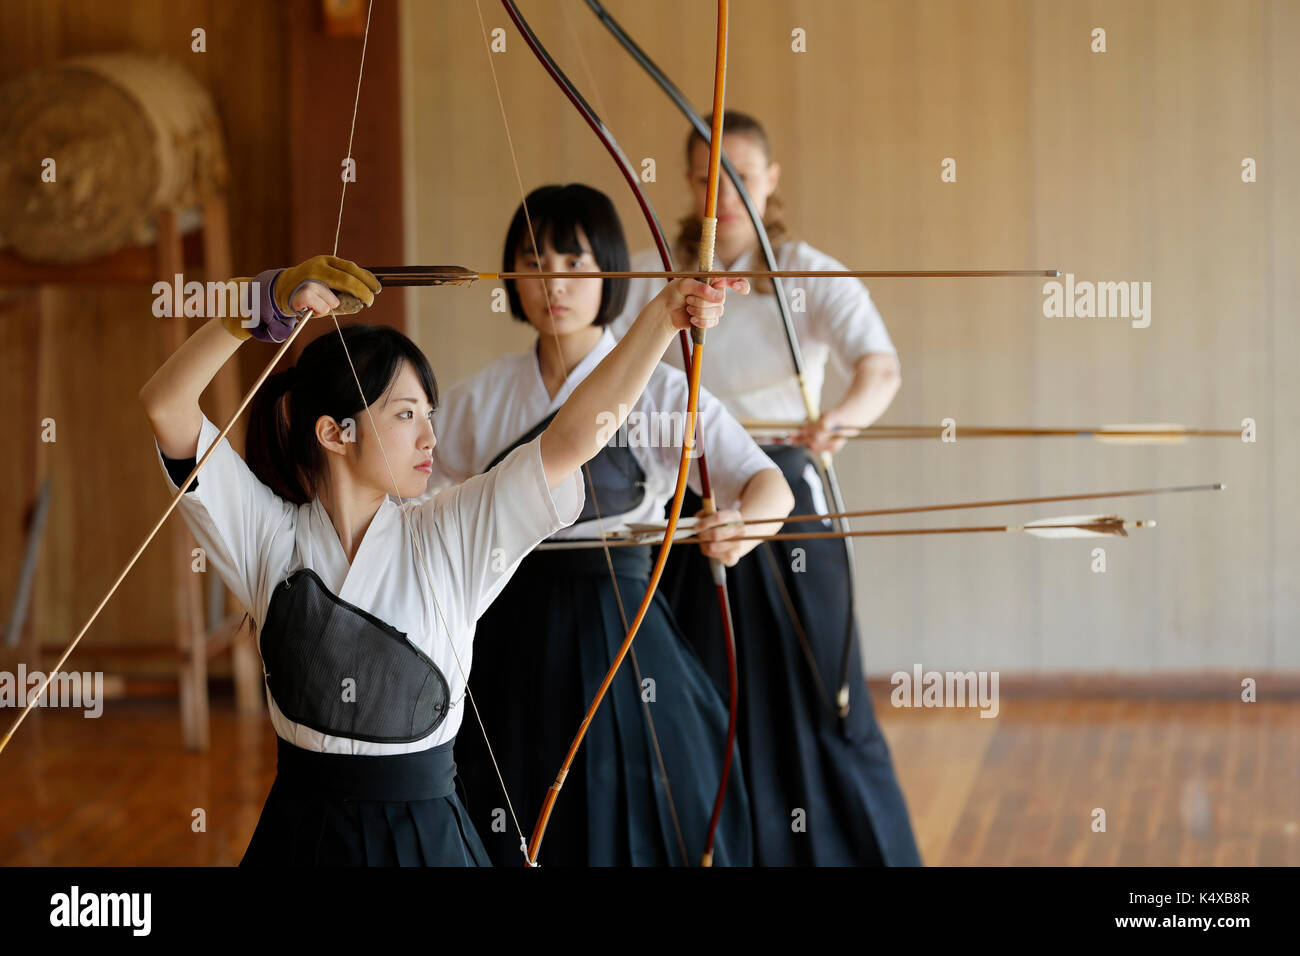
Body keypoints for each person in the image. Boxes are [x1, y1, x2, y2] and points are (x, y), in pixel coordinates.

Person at [138, 252, 746, 866]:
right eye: (406, 415)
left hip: (424, 837)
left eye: (430, 415)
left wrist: (663, 317)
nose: (430, 437)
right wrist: (262, 304)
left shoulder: (451, 529)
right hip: (300, 836)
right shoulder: (267, 536)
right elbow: (166, 403)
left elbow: (572, 438)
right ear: (334, 432)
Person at [424, 184, 794, 866]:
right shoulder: (482, 397)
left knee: (636, 807)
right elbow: (420, 497)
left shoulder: (662, 389)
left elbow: (768, 483)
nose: (553, 283)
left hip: (621, 627)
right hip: (505, 623)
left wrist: (744, 524)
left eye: (575, 263)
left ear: (612, 273)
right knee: (507, 806)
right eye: (534, 261)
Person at [609, 111, 921, 866]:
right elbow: (606, 374)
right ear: (688, 183)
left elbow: (880, 367)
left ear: (770, 179)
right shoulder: (657, 275)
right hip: (687, 499)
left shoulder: (805, 273)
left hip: (784, 494)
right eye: (705, 179)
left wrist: (839, 421)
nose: (721, 195)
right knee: (698, 687)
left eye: (740, 178)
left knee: (818, 693)